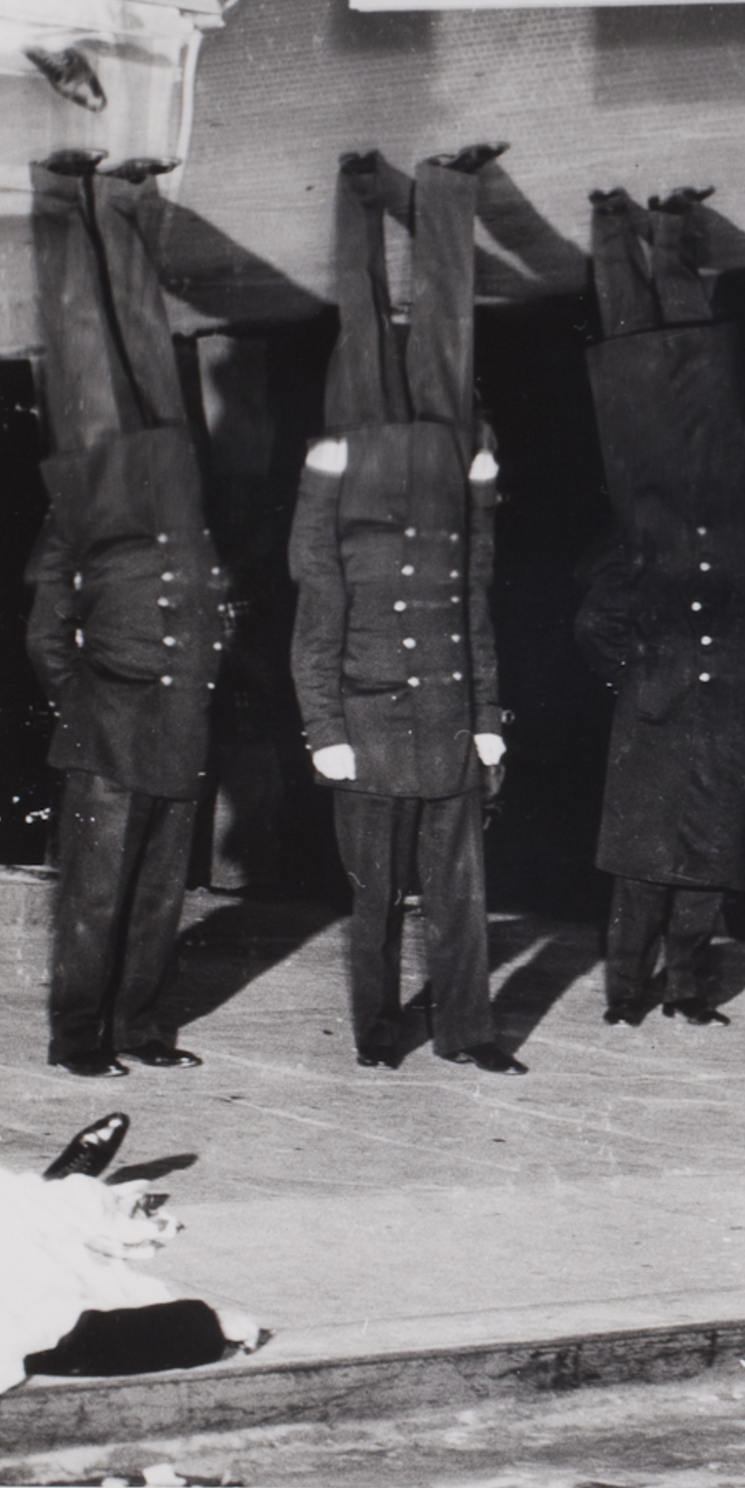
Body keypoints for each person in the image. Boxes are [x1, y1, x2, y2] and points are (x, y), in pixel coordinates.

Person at [288, 147, 521, 1073]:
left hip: (445, 730)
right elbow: (312, 603)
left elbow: (478, 601)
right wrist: (325, 734)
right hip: (374, 735)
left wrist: (489, 726)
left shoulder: (458, 545)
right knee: (374, 896)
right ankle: (379, 1031)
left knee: (460, 895)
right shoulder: (338, 537)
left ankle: (469, 1032)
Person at [24, 151, 228, 1079]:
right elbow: (45, 630)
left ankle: (142, 1030)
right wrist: (88, 702)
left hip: (174, 715)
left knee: (154, 894)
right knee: (125, 346)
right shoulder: (73, 545)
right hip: (114, 726)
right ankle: (80, 1043)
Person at [578, 184, 745, 1026]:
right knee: (664, 350)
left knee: (708, 861)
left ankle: (685, 989)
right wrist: (640, 673)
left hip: (729, 711)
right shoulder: (701, 496)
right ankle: (625, 992)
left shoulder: (713, 514)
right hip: (664, 709)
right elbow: (596, 619)